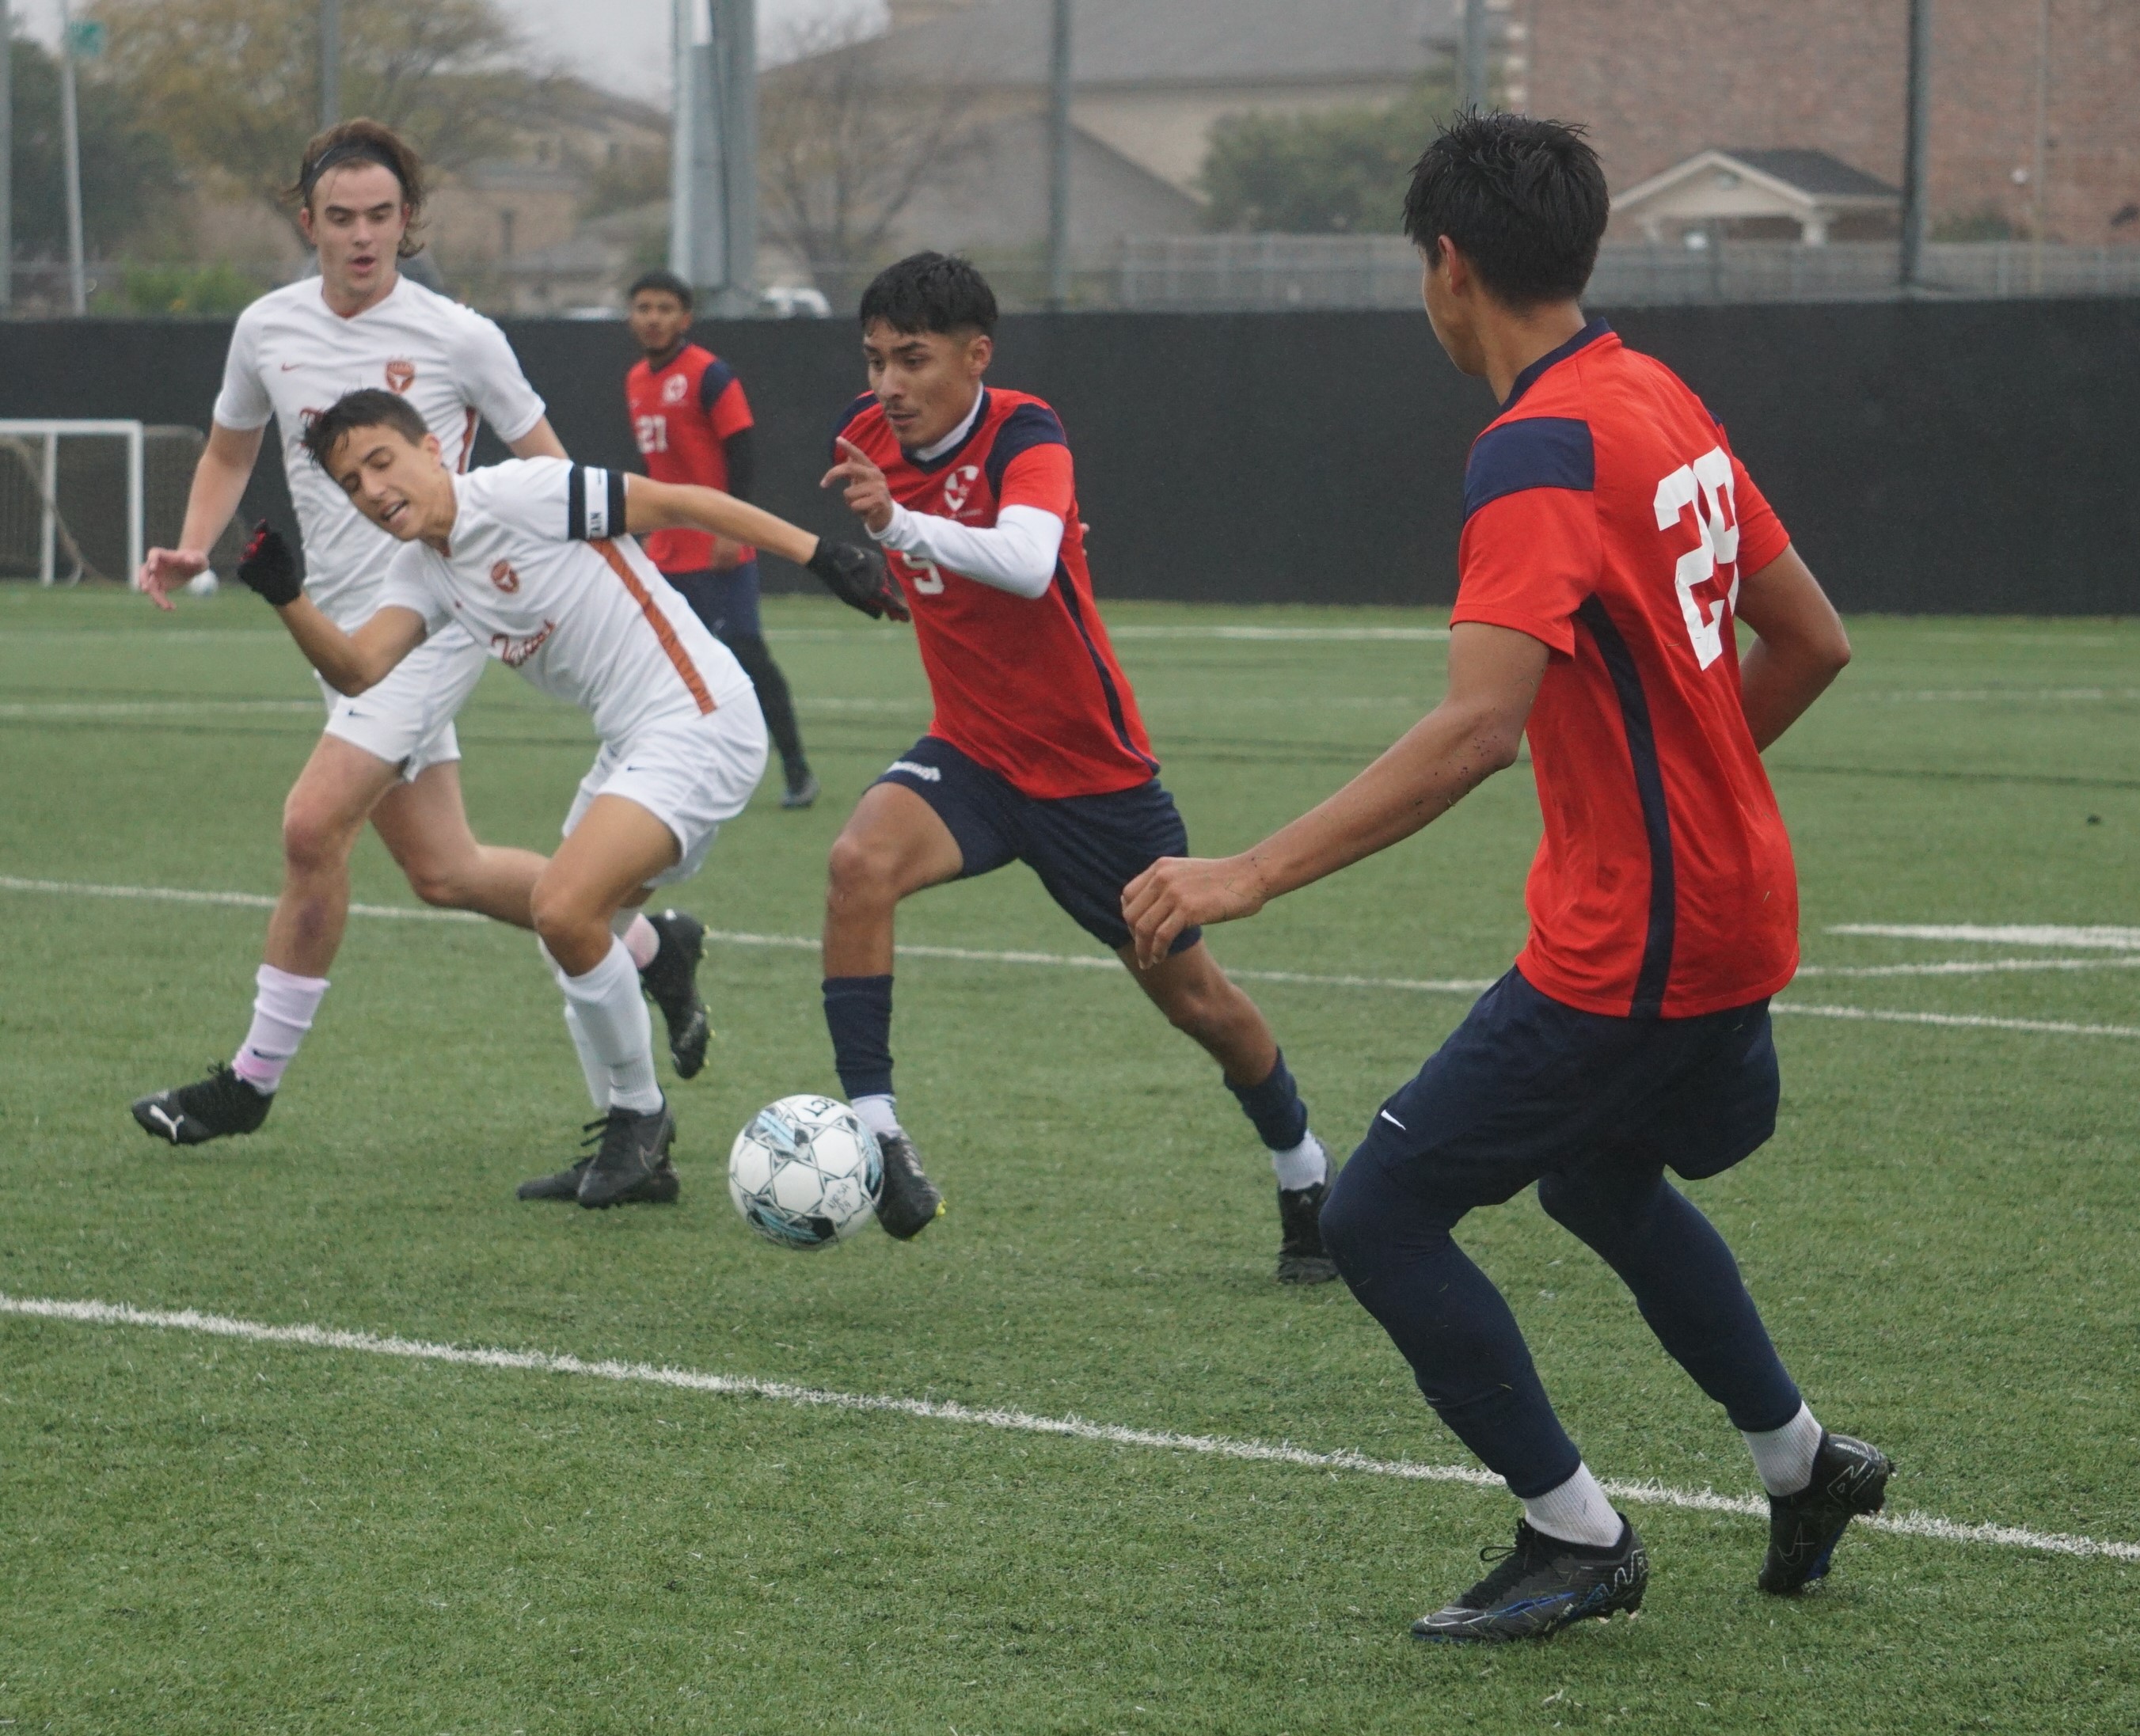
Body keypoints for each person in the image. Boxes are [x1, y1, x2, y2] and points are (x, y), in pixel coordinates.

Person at [1123, 113, 1888, 1640]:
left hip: (1639, 941)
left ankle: (1573, 1532)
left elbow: (1477, 728)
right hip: (1738, 908)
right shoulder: (1655, 392)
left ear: (1447, 264)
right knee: (1595, 1175)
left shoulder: (1534, 447)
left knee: (1378, 1212)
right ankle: (1799, 1460)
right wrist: (1686, 788)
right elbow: (1811, 638)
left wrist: (1244, 873)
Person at [129, 120, 711, 1147]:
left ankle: (251, 1081)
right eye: (341, 217)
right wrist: (191, 542)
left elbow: (554, 471)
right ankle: (653, 950)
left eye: (381, 216)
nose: (363, 236)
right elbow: (229, 452)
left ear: (409, 220)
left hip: (434, 623)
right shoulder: (266, 328)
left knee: (311, 825)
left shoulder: (459, 336)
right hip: (341, 637)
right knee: (444, 870)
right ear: (306, 221)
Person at [230, 388, 887, 1206]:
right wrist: (287, 596)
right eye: (351, 482)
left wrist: (823, 556)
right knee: (569, 927)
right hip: (634, 744)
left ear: (432, 449)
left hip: (700, 718)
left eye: (380, 461)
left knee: (564, 909)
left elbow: (682, 501)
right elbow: (360, 670)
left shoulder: (522, 493)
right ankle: (634, 1135)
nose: (371, 489)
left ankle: (639, 1121)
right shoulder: (423, 569)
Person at [818, 252, 1340, 1276]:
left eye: (913, 359)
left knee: (1198, 1005)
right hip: (972, 754)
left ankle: (1304, 1171)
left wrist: (897, 526)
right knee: (855, 864)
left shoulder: (1025, 430)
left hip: (1092, 781)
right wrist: (881, 568)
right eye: (874, 359)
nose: (888, 384)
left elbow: (1024, 564)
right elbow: (929, 563)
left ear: (976, 355)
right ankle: (876, 1135)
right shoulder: (866, 436)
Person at [625, 269, 818, 808]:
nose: (653, 318)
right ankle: (672, 770)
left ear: (685, 318)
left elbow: (742, 454)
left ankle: (797, 770)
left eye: (665, 308)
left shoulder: (710, 374)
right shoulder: (636, 379)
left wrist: (730, 531)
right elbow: (657, 469)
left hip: (716, 552)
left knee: (748, 658)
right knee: (663, 667)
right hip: (666, 555)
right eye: (644, 307)